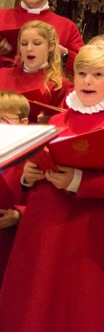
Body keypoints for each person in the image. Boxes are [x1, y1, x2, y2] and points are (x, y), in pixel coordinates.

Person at [0, 44, 104, 332]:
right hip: (44, 231)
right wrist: (28, 176)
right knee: (35, 314)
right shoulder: (56, 119)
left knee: (82, 319)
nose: (87, 81)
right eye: (81, 73)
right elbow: (31, 165)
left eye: (97, 75)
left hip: (92, 237)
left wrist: (78, 180)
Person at [0, 0, 84, 63]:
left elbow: (84, 63)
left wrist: (63, 54)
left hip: (46, 77)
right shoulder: (1, 16)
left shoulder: (67, 26)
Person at [0, 20, 70, 109]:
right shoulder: (2, 74)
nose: (29, 48)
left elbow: (63, 119)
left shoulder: (59, 85)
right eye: (24, 44)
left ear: (51, 46)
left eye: (37, 43)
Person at [0, 91, 29, 282]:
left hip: (16, 243)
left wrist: (19, 215)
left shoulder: (35, 155)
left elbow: (51, 204)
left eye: (4, 119)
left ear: (24, 122)